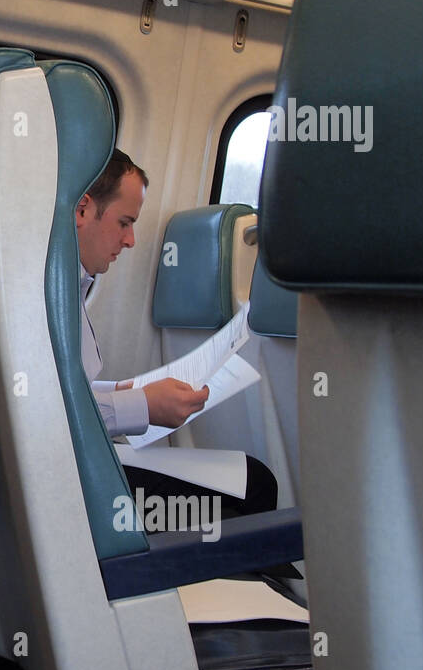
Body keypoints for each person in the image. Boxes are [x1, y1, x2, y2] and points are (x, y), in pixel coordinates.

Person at [76, 148, 277, 518]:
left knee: (252, 478)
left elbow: (63, 392)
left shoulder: (70, 282)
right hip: (72, 475)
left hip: (78, 460)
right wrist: (145, 405)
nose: (131, 240)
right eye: (124, 223)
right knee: (256, 486)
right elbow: (52, 413)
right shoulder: (45, 289)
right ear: (83, 209)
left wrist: (122, 391)